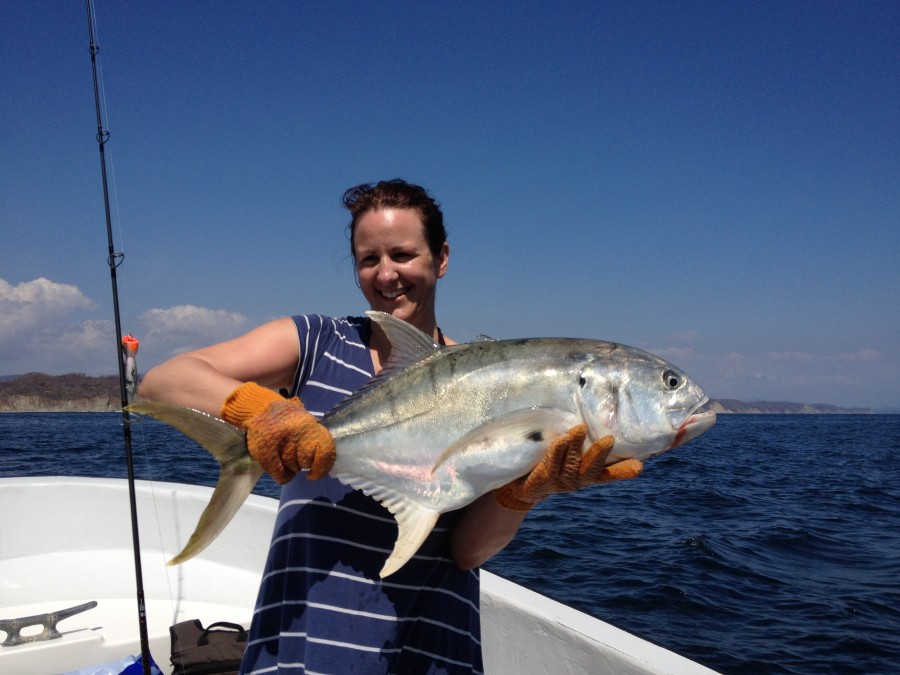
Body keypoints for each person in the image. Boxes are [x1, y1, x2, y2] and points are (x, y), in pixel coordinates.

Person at [139, 179, 642, 674]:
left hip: (432, 643)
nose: (386, 275)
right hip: (304, 641)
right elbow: (165, 379)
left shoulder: (488, 384)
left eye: (402, 255)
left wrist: (526, 493)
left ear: (441, 258)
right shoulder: (318, 343)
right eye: (368, 259)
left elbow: (467, 552)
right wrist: (258, 408)